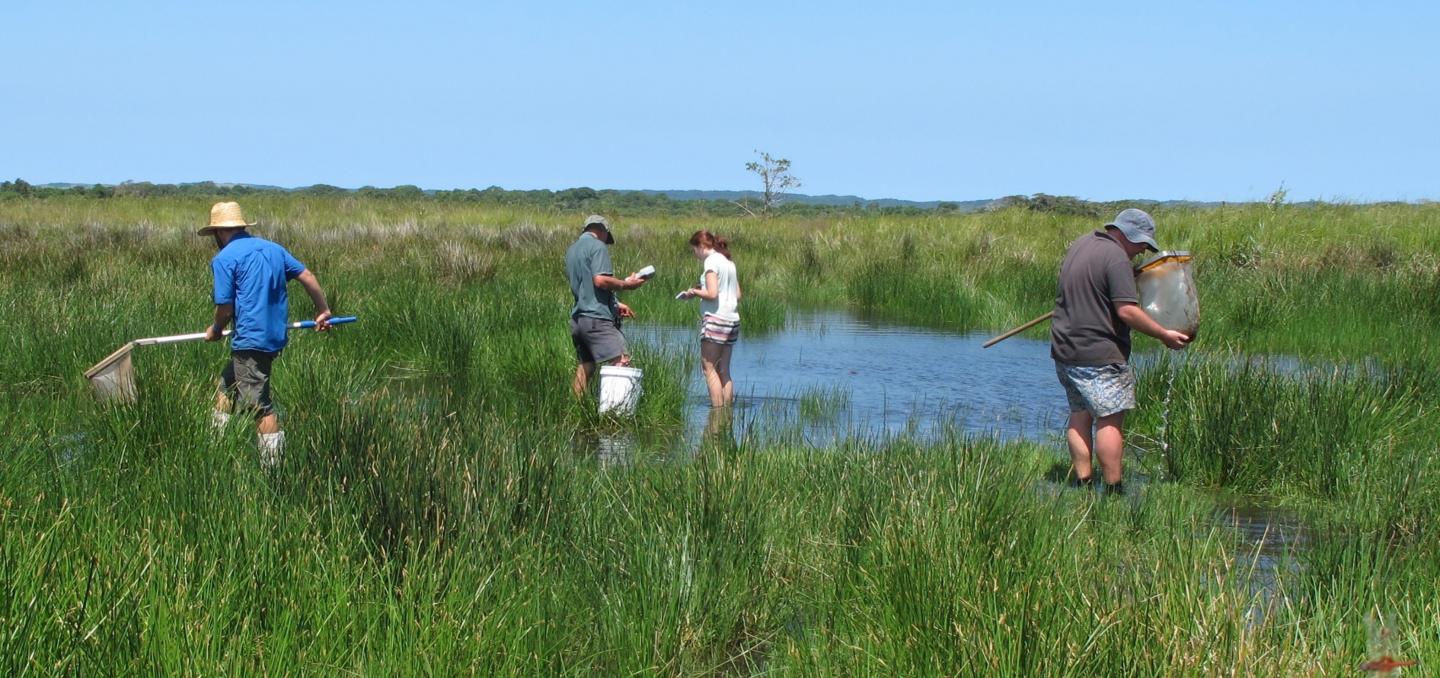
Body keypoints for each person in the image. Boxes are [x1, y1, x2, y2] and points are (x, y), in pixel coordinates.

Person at [1051, 208, 1190, 494]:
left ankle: (1083, 483)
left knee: (1080, 414)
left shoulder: (1082, 244)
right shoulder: (1116, 258)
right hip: (1099, 354)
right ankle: (1114, 489)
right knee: (1110, 419)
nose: (1141, 251)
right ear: (1128, 235)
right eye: (1141, 244)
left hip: (1065, 350)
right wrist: (1163, 334)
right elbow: (1126, 311)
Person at [200, 201, 333, 467]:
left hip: (251, 341)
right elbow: (306, 275)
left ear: (218, 232)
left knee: (259, 407)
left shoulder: (224, 258)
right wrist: (323, 310)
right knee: (227, 386)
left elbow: (225, 307)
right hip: (272, 337)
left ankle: (273, 470)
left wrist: (215, 330)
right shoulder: (274, 249)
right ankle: (216, 449)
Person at [565, 215, 648, 397]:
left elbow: (586, 287)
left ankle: (575, 408)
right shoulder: (598, 247)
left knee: (586, 365)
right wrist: (627, 284)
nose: (605, 242)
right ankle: (617, 410)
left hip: (578, 320)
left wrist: (615, 304)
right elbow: (600, 280)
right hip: (597, 320)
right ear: (602, 230)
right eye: (606, 238)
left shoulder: (572, 250)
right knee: (621, 360)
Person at [678, 230, 741, 407]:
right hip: (732, 320)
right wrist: (703, 289)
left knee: (709, 369)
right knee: (724, 370)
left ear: (701, 246)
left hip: (716, 320)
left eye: (694, 250)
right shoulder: (729, 263)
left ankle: (717, 412)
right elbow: (737, 294)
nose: (695, 254)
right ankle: (727, 412)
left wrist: (694, 292)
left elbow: (712, 294)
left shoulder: (711, 261)